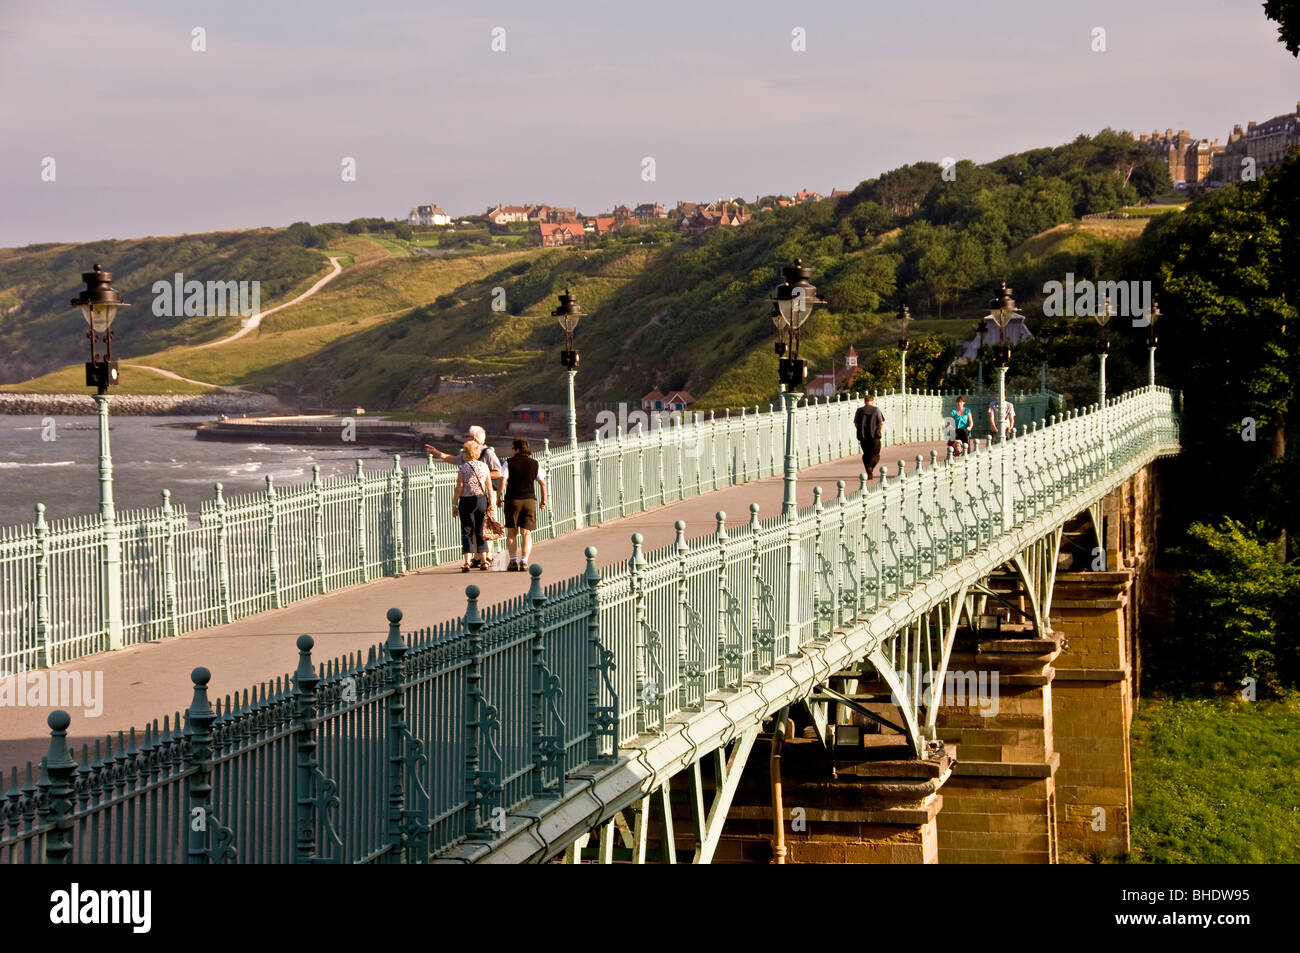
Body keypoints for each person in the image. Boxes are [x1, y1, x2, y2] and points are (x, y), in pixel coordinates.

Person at [502, 438, 548, 571]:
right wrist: (543, 499)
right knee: (526, 533)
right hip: (529, 500)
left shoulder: (508, 463)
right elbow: (542, 483)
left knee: (511, 532)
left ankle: (512, 562)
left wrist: (499, 496)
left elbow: (503, 480)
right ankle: (524, 561)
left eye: (512, 448)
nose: (511, 450)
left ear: (517, 449)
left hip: (513, 500)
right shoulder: (534, 463)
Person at [452, 440, 496, 572]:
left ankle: (467, 562)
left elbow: (459, 487)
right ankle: (484, 561)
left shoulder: (463, 468)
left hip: (466, 501)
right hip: (481, 500)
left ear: (466, 453)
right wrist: (491, 503)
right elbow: (489, 487)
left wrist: (454, 504)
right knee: (480, 531)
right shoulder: (484, 466)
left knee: (466, 531)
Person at [853, 393, 885, 479]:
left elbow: (856, 423)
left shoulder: (859, 410)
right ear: (872, 401)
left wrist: (860, 431)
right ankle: (871, 467)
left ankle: (868, 468)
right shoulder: (876, 410)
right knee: (876, 454)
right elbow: (881, 422)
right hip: (874, 436)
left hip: (863, 437)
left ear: (865, 402)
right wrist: (878, 431)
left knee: (866, 454)